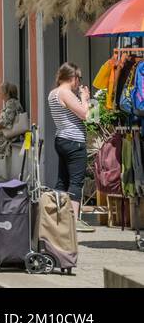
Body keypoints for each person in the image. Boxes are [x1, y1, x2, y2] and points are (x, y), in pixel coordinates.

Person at [47, 63, 94, 232]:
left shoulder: (53, 93)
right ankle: (73, 221)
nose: (79, 82)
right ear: (73, 77)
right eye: (79, 78)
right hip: (74, 140)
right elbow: (85, 114)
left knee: (62, 180)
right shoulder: (66, 93)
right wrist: (84, 98)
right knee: (76, 181)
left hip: (61, 139)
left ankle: (57, 217)